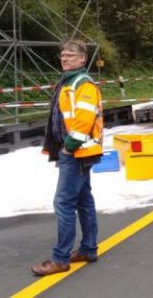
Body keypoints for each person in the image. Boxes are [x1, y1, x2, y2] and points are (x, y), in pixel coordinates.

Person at [31, 41, 104, 276]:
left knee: (63, 203)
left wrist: (68, 148)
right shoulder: (68, 82)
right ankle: (88, 249)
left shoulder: (82, 84)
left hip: (76, 152)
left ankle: (60, 258)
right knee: (83, 200)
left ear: (82, 59)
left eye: (71, 55)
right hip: (78, 151)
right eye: (63, 55)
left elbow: (83, 120)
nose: (65, 58)